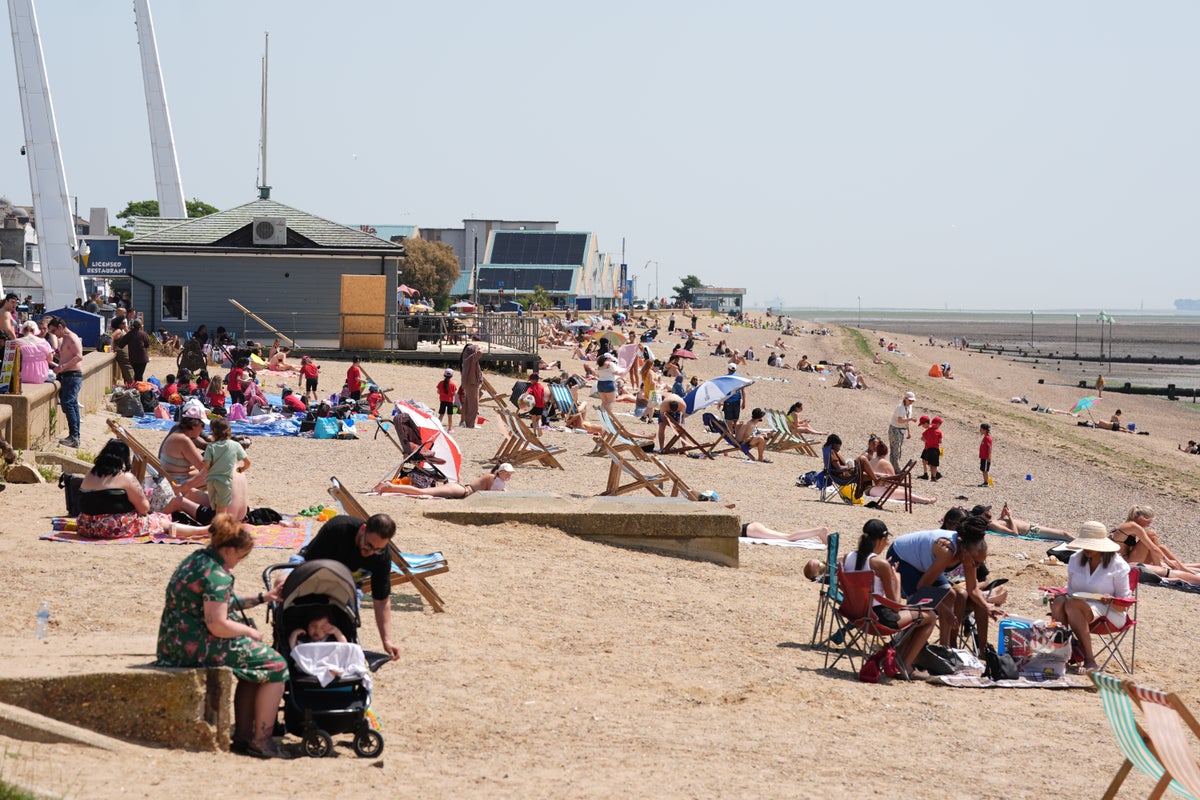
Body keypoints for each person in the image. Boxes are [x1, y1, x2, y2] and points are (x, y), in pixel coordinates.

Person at [156, 514, 289, 759]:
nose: (239, 561)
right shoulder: (216, 574)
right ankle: (262, 739)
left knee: (255, 666)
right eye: (240, 556)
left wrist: (263, 597)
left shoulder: (197, 560)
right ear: (229, 550)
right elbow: (217, 624)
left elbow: (219, 604)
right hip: (193, 646)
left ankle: (244, 737)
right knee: (276, 665)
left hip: (173, 641)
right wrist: (250, 632)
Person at [887, 514, 1002, 649]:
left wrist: (986, 606)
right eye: (975, 563)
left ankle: (945, 648)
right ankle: (905, 644)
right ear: (964, 552)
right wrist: (944, 609)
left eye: (980, 563)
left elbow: (972, 589)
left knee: (951, 595)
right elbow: (922, 587)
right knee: (918, 600)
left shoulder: (968, 553)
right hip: (902, 558)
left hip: (923, 565)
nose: (976, 567)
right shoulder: (947, 550)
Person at [298, 513, 402, 660]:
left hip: (346, 584)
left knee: (346, 618)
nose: (370, 553)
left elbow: (381, 600)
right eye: (369, 546)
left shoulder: (382, 555)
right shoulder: (338, 528)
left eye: (377, 549)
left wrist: (386, 641)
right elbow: (309, 566)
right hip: (312, 566)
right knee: (283, 583)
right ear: (363, 529)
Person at [843, 519, 936, 676]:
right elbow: (895, 606)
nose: (886, 544)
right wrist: (895, 578)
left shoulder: (848, 557)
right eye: (886, 540)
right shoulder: (880, 565)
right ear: (880, 539)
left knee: (917, 616)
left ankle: (895, 658)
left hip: (855, 616)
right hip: (878, 620)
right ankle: (905, 666)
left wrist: (885, 572)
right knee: (930, 617)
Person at [76, 439, 208, 540]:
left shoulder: (90, 473)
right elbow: (144, 508)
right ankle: (203, 530)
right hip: (111, 527)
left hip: (86, 525)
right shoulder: (126, 478)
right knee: (161, 521)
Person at [1049, 521, 1133, 672]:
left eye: (1091, 545)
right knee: (1059, 601)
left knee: (1072, 603)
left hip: (1111, 612)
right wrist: (1057, 594)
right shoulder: (1075, 559)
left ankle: (1089, 660)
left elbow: (1124, 604)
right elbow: (1071, 589)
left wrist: (1111, 600)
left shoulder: (1118, 565)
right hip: (1076, 608)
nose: (1086, 549)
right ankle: (1061, 656)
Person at [159, 411, 249, 523]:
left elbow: (202, 473)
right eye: (202, 426)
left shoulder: (183, 438)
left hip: (220, 519)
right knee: (195, 493)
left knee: (179, 501)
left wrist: (180, 488)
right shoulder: (236, 460)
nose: (203, 430)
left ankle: (154, 519)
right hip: (241, 515)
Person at [373, 462, 515, 497]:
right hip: (460, 490)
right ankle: (390, 486)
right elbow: (496, 495)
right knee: (422, 492)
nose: (509, 476)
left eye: (510, 474)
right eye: (507, 473)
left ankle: (391, 486)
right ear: (500, 472)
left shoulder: (494, 478)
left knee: (423, 492)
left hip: (460, 489)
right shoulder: (491, 478)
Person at [47, 317, 83, 449]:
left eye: (54, 330)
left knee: (69, 404)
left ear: (60, 326)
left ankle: (74, 437)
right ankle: (74, 436)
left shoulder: (71, 337)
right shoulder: (66, 339)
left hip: (72, 376)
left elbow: (78, 356)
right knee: (71, 404)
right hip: (68, 376)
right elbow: (68, 355)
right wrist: (57, 357)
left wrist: (61, 368)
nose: (54, 334)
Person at [204, 418, 249, 517]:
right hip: (224, 480)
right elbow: (247, 463)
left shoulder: (211, 446)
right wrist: (241, 469)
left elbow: (206, 466)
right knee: (222, 509)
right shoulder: (235, 445)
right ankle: (220, 530)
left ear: (213, 432)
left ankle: (217, 528)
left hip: (211, 480)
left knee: (216, 508)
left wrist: (212, 470)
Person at [865, 443, 937, 505]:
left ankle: (926, 500)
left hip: (871, 490)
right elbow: (894, 480)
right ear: (886, 452)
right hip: (882, 490)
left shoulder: (871, 461)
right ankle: (927, 500)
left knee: (902, 494)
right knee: (907, 494)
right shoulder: (886, 463)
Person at [823, 433, 877, 499]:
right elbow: (839, 467)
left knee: (869, 474)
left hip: (839, 475)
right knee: (862, 459)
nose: (839, 449)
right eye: (839, 446)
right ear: (834, 445)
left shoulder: (827, 450)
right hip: (844, 476)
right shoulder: (832, 452)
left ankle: (877, 479)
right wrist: (850, 467)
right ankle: (876, 480)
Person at [983, 503, 1070, 540]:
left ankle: (1080, 542)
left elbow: (1004, 523)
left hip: (1032, 528)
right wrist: (1010, 516)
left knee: (1063, 534)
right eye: (987, 511)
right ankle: (1080, 543)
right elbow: (1014, 533)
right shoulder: (992, 524)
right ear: (983, 515)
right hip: (1031, 531)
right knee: (1063, 534)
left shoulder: (992, 522)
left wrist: (1003, 514)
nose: (989, 511)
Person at [15, 320, 53, 385]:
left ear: (23, 330)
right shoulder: (44, 342)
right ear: (35, 330)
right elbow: (50, 360)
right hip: (41, 375)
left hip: (22, 375)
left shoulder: (16, 342)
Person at [888, 391, 917, 472]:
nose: (911, 402)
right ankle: (896, 469)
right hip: (895, 429)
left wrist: (908, 431)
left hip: (902, 430)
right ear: (905, 399)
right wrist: (911, 419)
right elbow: (900, 420)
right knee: (895, 450)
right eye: (910, 400)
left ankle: (894, 468)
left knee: (898, 450)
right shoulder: (900, 407)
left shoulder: (909, 407)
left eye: (912, 401)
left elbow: (906, 420)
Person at [740, 521, 830, 543]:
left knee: (788, 537)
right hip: (750, 528)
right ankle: (819, 532)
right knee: (787, 537)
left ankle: (819, 531)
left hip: (749, 530)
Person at [460, 342, 482, 428]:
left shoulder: (466, 359)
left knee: (468, 403)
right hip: (471, 383)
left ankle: (465, 421)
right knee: (473, 405)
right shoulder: (470, 359)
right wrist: (480, 348)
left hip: (468, 383)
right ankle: (471, 424)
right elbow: (480, 353)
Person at [921, 416, 944, 482]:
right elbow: (940, 441)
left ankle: (933, 476)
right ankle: (934, 476)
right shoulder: (939, 432)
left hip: (928, 448)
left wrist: (928, 441)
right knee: (934, 464)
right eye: (940, 424)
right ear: (937, 424)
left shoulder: (928, 430)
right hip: (935, 448)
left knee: (929, 462)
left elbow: (922, 438)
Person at [978, 423, 992, 487]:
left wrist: (989, 457)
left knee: (985, 470)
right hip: (983, 457)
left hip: (986, 457)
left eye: (981, 429)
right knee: (983, 469)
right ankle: (985, 481)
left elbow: (989, 448)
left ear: (985, 430)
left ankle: (986, 482)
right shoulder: (985, 437)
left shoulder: (987, 438)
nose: (980, 430)